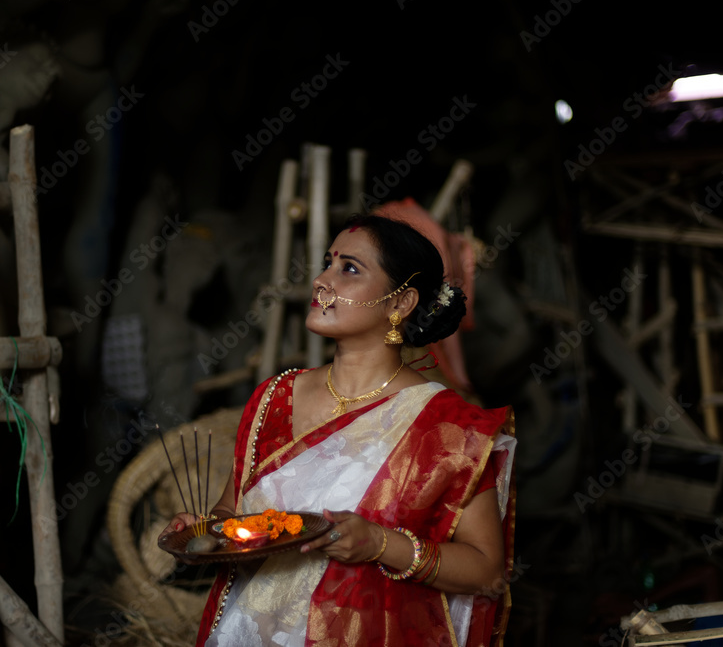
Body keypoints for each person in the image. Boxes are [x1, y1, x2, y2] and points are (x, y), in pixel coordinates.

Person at [159, 214, 517, 646]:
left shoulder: (447, 426)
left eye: (349, 268)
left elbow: (487, 573)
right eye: (327, 263)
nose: (321, 281)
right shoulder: (275, 397)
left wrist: (380, 544)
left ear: (399, 304)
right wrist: (209, 533)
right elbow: (232, 515)